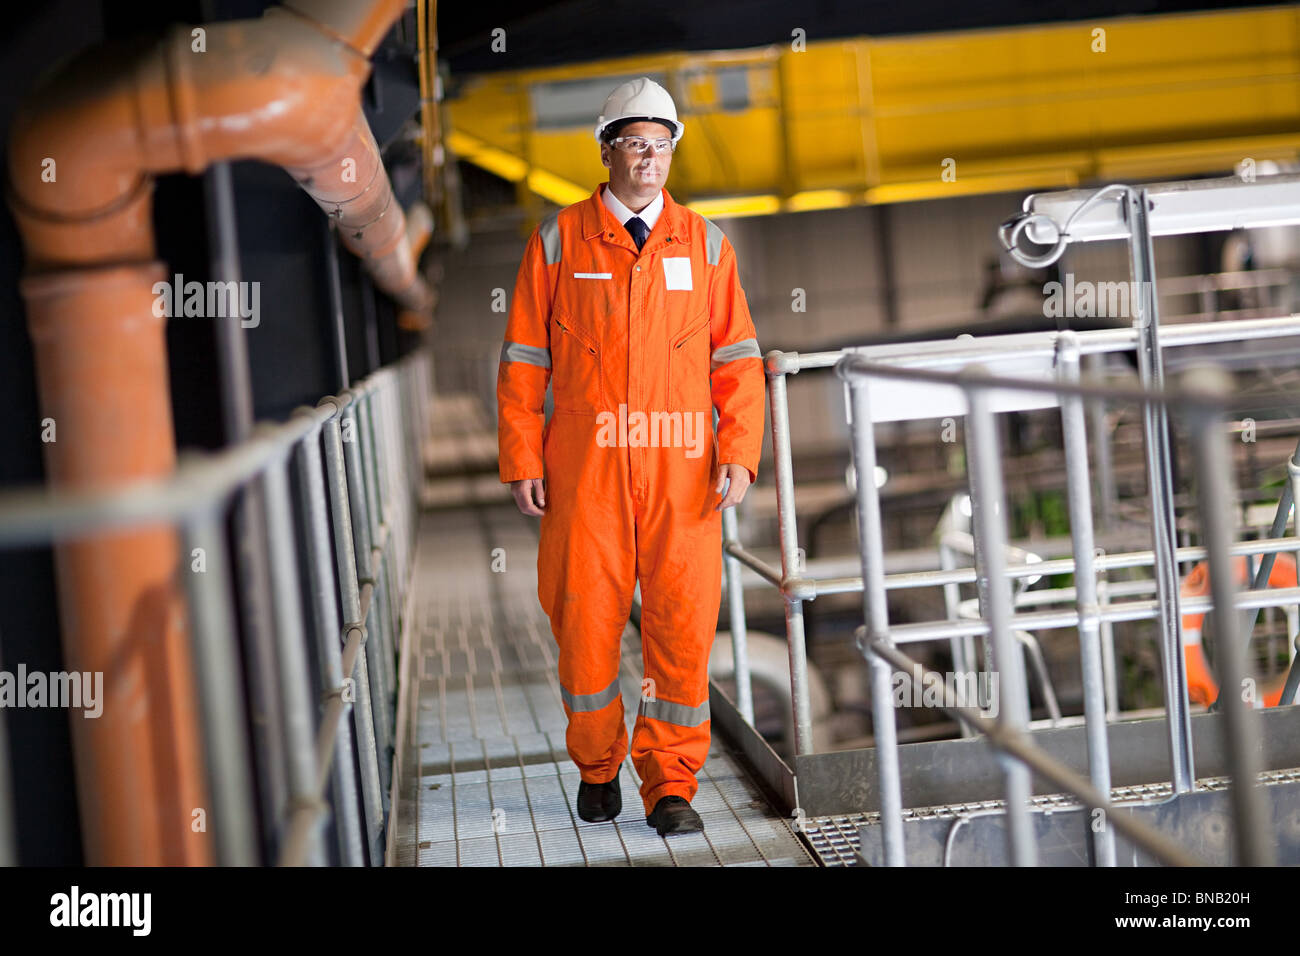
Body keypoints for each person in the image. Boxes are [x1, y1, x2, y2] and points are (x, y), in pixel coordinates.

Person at [496, 77, 765, 836]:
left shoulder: (707, 244)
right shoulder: (557, 242)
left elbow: (738, 362)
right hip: (588, 473)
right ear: (608, 149)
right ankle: (597, 766)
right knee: (583, 623)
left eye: (663, 145)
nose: (652, 159)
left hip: (683, 470)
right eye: (637, 144)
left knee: (680, 627)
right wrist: (523, 457)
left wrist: (739, 453)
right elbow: (522, 361)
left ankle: (671, 785)